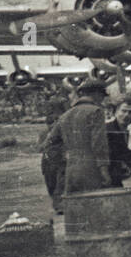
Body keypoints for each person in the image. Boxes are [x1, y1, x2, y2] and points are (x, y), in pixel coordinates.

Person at [43, 79, 112, 198]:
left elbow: (49, 142)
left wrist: (61, 163)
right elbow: (98, 144)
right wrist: (104, 171)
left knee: (76, 209)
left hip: (70, 169)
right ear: (96, 94)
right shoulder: (96, 111)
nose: (102, 100)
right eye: (102, 96)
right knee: (94, 205)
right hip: (91, 168)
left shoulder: (66, 114)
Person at [38, 86, 71, 214]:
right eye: (50, 121)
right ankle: (58, 204)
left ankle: (59, 205)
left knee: (60, 183)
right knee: (52, 183)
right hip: (49, 161)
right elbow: (40, 147)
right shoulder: (45, 132)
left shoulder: (64, 130)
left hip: (60, 160)